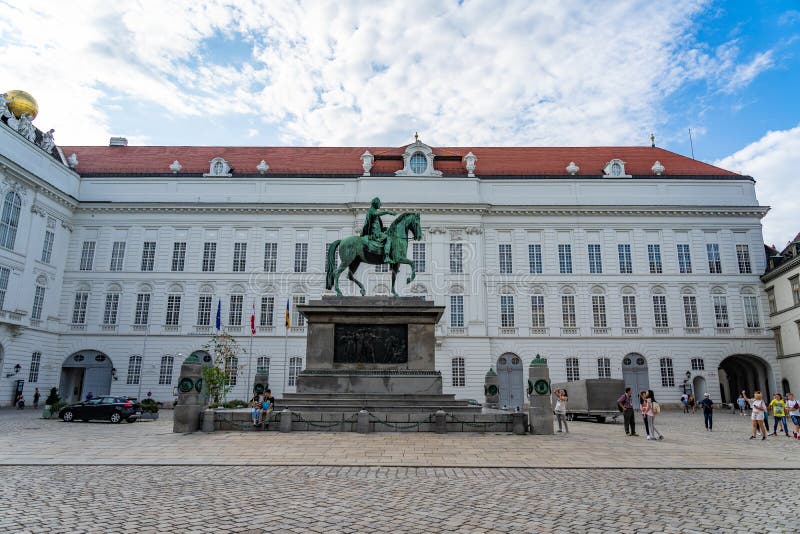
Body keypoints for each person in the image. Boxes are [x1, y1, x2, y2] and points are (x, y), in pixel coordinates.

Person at [360, 197, 396, 262]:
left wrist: (383, 228)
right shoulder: (371, 210)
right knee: (389, 238)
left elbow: (377, 224)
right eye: (379, 203)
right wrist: (387, 212)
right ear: (376, 203)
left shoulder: (374, 211)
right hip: (374, 233)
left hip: (378, 231)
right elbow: (376, 214)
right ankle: (386, 257)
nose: (380, 205)